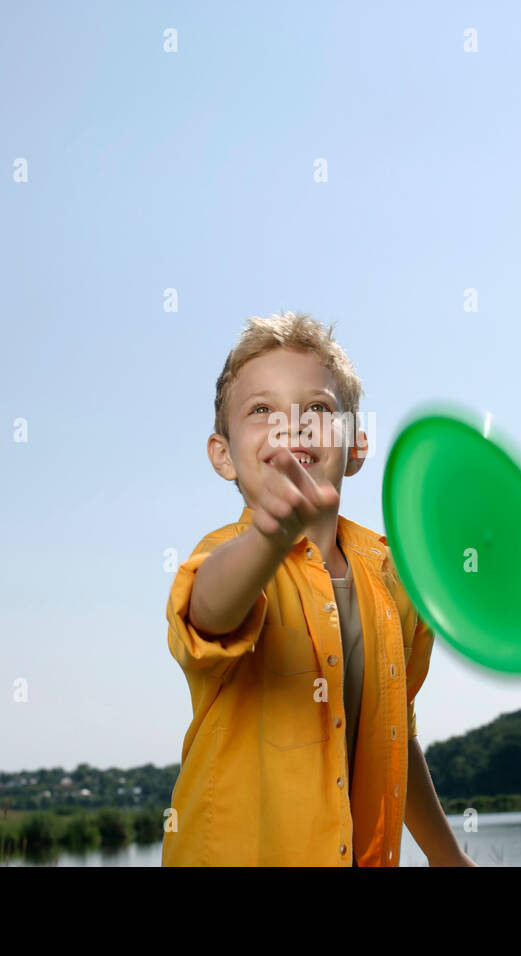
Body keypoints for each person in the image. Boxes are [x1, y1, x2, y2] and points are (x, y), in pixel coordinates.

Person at [161, 310, 475, 866]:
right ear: (223, 455)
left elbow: (395, 731)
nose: (292, 425)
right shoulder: (226, 556)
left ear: (354, 446)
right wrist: (270, 535)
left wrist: (449, 858)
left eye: (318, 409)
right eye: (262, 410)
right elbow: (209, 610)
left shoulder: (396, 578)